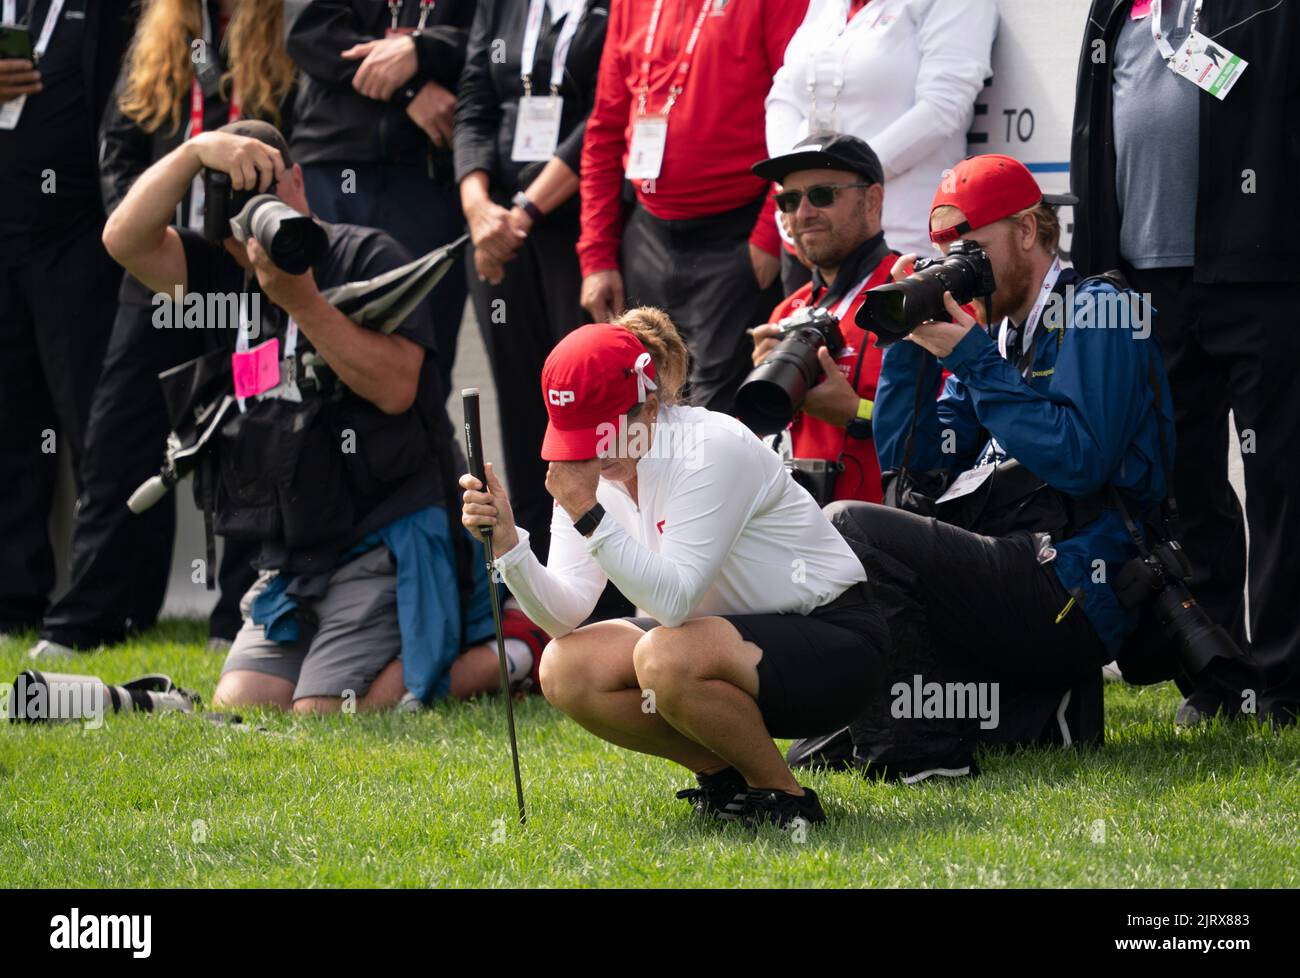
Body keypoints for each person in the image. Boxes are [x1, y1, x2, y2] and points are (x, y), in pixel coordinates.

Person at [100, 120, 528, 712]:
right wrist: (196, 151)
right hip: (295, 552)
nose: (260, 221)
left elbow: (398, 389)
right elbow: (122, 239)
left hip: (387, 535)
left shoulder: (367, 254)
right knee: (241, 701)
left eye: (272, 194)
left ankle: (498, 651)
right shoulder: (227, 273)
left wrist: (300, 300)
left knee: (326, 710)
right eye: (242, 210)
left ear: (299, 180)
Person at [460, 310, 888, 828]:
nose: (593, 454)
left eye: (605, 432)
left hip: (836, 648)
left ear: (649, 409)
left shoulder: (710, 448)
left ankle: (783, 797)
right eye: (577, 438)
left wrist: (589, 514)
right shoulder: (586, 470)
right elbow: (561, 617)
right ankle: (726, 779)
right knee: (564, 666)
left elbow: (673, 602)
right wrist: (509, 544)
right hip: (717, 648)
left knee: (664, 654)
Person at [826, 155, 1175, 770]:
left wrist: (975, 362)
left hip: (1075, 584)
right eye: (946, 253)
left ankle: (926, 754)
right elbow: (922, 471)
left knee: (850, 523)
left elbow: (1081, 461)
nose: (961, 270)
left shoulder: (1097, 311)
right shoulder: (1000, 338)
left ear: (1027, 230)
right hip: (1010, 564)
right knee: (840, 543)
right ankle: (952, 722)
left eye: (971, 250)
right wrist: (906, 346)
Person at [29, 0, 294, 660]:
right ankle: (85, 616)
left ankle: (237, 614)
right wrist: (143, 229)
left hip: (248, 272)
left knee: (250, 433)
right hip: (163, 268)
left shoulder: (285, 26)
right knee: (119, 433)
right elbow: (119, 144)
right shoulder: (162, 28)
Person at [1071, 0, 1300, 727]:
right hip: (1146, 283)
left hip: (1260, 273)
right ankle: (1218, 673)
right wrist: (1099, 272)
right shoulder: (1115, 9)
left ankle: (1287, 680)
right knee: (1182, 486)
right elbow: (1091, 138)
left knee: (1281, 483)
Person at [577, 0, 809, 413]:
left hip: (735, 239)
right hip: (648, 236)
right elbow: (605, 128)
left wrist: (768, 233)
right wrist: (596, 254)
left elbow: (799, 113)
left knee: (714, 417)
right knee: (645, 411)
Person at [0, 0, 138, 637]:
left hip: (82, 234)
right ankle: (12, 600)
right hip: (7, 226)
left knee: (97, 426)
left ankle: (110, 600)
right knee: (9, 423)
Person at [454, 0, 609, 566]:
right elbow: (473, 101)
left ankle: (606, 586)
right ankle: (534, 571)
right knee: (522, 409)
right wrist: (477, 207)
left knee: (584, 406)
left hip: (575, 225)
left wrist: (522, 212)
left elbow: (605, 112)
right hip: (495, 230)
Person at [286, 0, 476, 400]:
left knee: (420, 362)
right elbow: (308, 33)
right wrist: (408, 89)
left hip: (425, 177)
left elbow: (495, 40)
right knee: (310, 359)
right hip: (331, 165)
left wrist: (422, 49)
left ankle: (421, 461)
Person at [765, 0, 996, 294]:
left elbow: (943, 107)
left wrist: (839, 182)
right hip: (809, 243)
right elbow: (782, 97)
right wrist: (799, 188)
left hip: (900, 243)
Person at [749, 133, 898, 504]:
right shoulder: (787, 312)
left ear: (873, 200)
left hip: (889, 541)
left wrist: (854, 413)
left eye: (822, 194)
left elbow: (956, 431)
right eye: (789, 200)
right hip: (801, 535)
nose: (803, 214)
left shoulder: (914, 293)